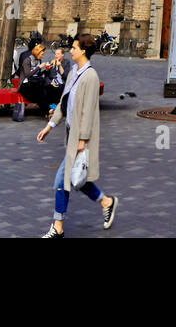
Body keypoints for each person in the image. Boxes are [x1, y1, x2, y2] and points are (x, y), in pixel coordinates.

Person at [37, 33, 117, 236]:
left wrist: (82, 140)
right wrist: (50, 125)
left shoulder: (91, 76)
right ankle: (106, 202)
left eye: (73, 48)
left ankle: (58, 227)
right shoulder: (73, 72)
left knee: (60, 182)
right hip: (71, 135)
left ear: (83, 51)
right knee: (76, 180)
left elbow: (89, 111)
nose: (70, 50)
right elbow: (64, 103)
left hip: (81, 138)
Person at [14, 37, 46, 121]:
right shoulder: (26, 57)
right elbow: (26, 74)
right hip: (26, 84)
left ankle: (49, 110)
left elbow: (37, 73)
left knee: (45, 90)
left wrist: (45, 70)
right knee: (39, 93)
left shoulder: (37, 57)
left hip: (34, 82)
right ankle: (48, 110)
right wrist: (39, 67)